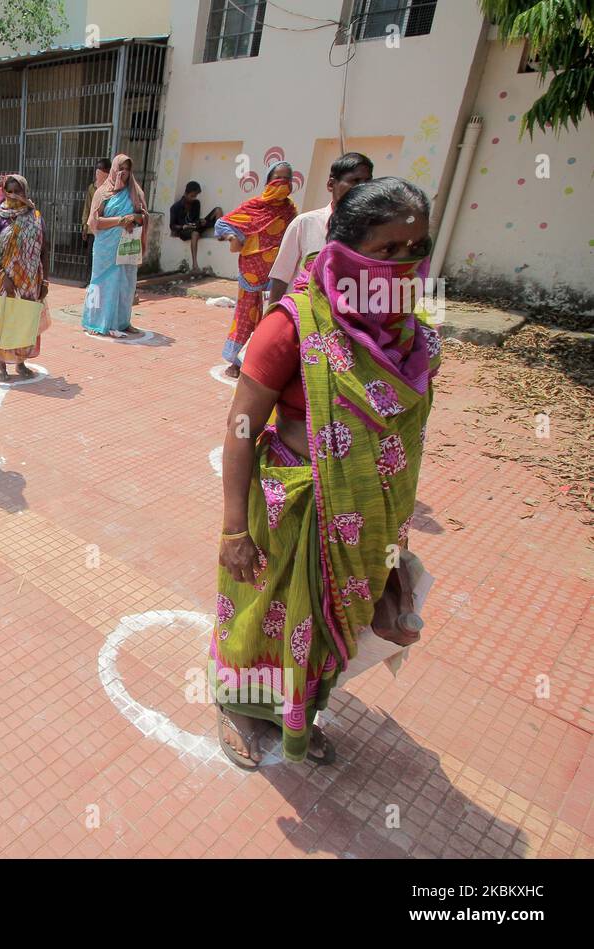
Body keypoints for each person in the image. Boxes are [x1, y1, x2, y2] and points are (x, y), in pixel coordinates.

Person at [213, 176, 440, 769]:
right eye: (385, 250)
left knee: (327, 628)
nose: (402, 265)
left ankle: (300, 711)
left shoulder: (411, 336)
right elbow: (241, 426)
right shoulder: (292, 327)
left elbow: (401, 440)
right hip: (294, 506)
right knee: (266, 616)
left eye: (415, 249)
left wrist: (393, 526)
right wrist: (234, 528)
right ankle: (239, 706)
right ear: (343, 250)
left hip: (367, 518)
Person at [215, 161, 297, 378]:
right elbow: (222, 224)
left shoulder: (291, 211)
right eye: (279, 179)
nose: (284, 184)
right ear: (269, 182)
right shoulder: (254, 206)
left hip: (278, 274)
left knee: (270, 319)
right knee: (245, 317)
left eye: (288, 179)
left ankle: (258, 361)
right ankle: (236, 361)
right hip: (251, 272)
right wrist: (234, 237)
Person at [266, 152, 373, 306]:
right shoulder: (304, 224)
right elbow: (280, 278)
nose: (362, 188)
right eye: (355, 181)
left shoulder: (374, 231)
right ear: (331, 184)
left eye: (367, 182)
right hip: (302, 319)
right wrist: (270, 321)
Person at [0, 173, 51, 381]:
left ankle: (21, 362)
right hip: (6, 283)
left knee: (25, 321)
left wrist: (45, 280)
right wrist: (2, 276)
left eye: (18, 191)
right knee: (5, 320)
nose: (13, 195)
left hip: (30, 282)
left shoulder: (36, 217)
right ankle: (1, 365)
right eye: (9, 191)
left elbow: (44, 251)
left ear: (25, 192)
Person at [82, 154, 148, 338]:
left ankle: (122, 322)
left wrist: (134, 218)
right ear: (113, 169)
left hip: (127, 245)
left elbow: (142, 216)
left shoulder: (135, 192)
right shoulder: (102, 193)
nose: (123, 172)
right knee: (103, 284)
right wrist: (120, 220)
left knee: (125, 284)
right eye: (120, 168)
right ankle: (96, 321)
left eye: (127, 168)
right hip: (106, 249)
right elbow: (95, 222)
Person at [168, 181, 222, 274]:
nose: (194, 198)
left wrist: (202, 221)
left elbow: (195, 219)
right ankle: (195, 266)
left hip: (195, 226)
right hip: (184, 231)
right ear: (186, 193)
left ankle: (220, 235)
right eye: (192, 196)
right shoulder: (175, 207)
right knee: (195, 233)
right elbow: (172, 226)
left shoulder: (196, 203)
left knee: (218, 210)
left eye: (195, 196)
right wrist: (183, 226)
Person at [80, 158, 111, 261]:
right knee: (91, 258)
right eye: (98, 170)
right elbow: (87, 207)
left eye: (104, 171)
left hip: (107, 230)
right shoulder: (92, 188)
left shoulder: (112, 189)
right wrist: (85, 226)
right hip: (92, 230)